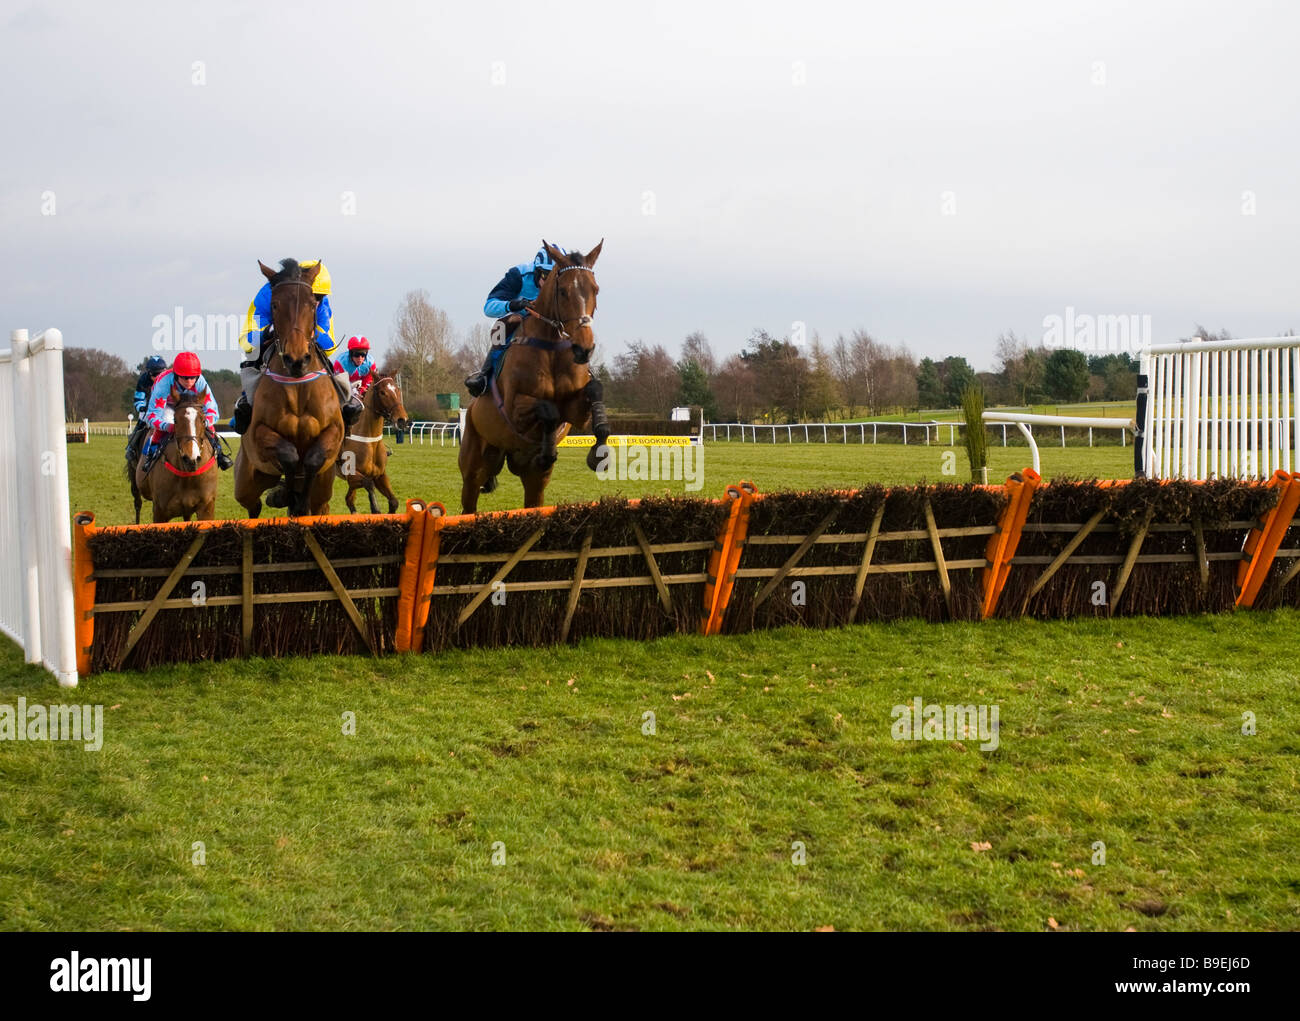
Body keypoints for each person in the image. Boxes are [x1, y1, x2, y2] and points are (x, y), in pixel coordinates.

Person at [229, 258, 362, 433]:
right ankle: (246, 404)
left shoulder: (323, 303)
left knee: (326, 364)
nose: (316, 302)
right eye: (314, 296)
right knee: (255, 358)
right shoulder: (267, 295)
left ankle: (345, 402)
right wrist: (271, 330)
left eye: (319, 298)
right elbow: (247, 341)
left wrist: (309, 333)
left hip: (307, 350)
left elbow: (330, 346)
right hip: (271, 349)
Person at [464, 242, 569, 398]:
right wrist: (513, 304)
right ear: (536, 271)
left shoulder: (565, 285)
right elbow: (489, 307)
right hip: (517, 319)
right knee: (508, 323)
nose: (549, 285)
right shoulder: (518, 275)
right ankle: (484, 376)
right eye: (546, 277)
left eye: (555, 278)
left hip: (549, 324)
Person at [140, 351, 232, 472]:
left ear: (198, 376)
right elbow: (152, 416)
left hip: (189, 405)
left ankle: (220, 453)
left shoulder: (200, 383)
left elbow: (213, 411)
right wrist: (167, 426)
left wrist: (204, 422)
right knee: (166, 420)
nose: (189, 381)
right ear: (176, 375)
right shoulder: (164, 384)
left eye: (192, 377)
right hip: (167, 405)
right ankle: (151, 456)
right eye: (184, 377)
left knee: (204, 423)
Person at [125, 354, 168, 466]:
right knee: (141, 421)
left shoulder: (169, 379)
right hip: (149, 408)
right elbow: (139, 399)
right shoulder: (143, 380)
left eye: (160, 374)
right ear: (149, 373)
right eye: (154, 374)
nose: (157, 377)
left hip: (166, 408)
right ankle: (131, 447)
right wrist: (142, 407)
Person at [334, 336, 376, 401]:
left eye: (363, 355)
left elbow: (367, 383)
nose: (360, 358)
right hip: (343, 386)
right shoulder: (340, 363)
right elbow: (341, 387)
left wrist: (362, 391)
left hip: (358, 386)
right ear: (350, 354)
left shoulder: (371, 363)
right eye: (356, 354)